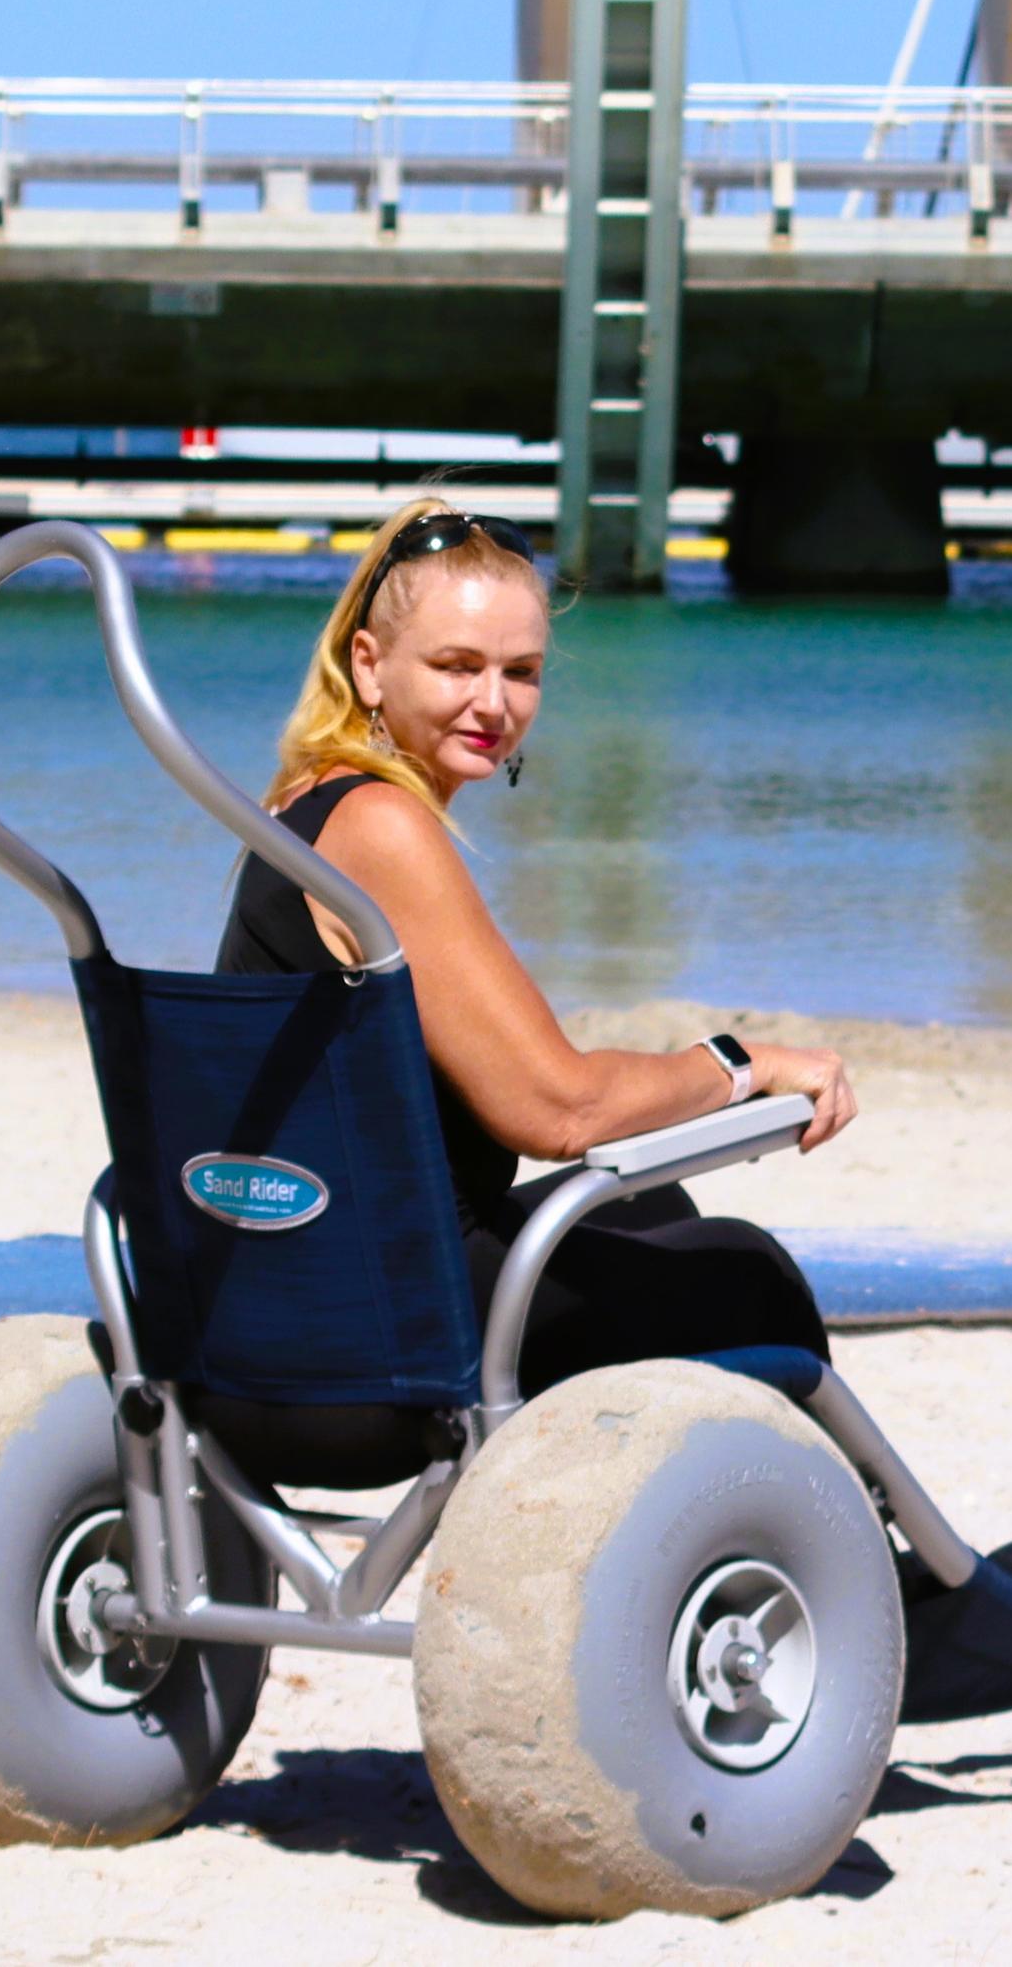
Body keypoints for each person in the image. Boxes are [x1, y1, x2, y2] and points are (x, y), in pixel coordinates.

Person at [229, 495, 855, 1402]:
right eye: (456, 666)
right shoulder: (381, 824)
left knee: (653, 1206)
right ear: (369, 665)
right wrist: (741, 1063)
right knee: (748, 1274)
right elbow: (555, 1109)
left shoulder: (306, 800)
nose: (495, 703)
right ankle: (852, 1539)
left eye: (521, 671)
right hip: (381, 1324)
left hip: (290, 1286)